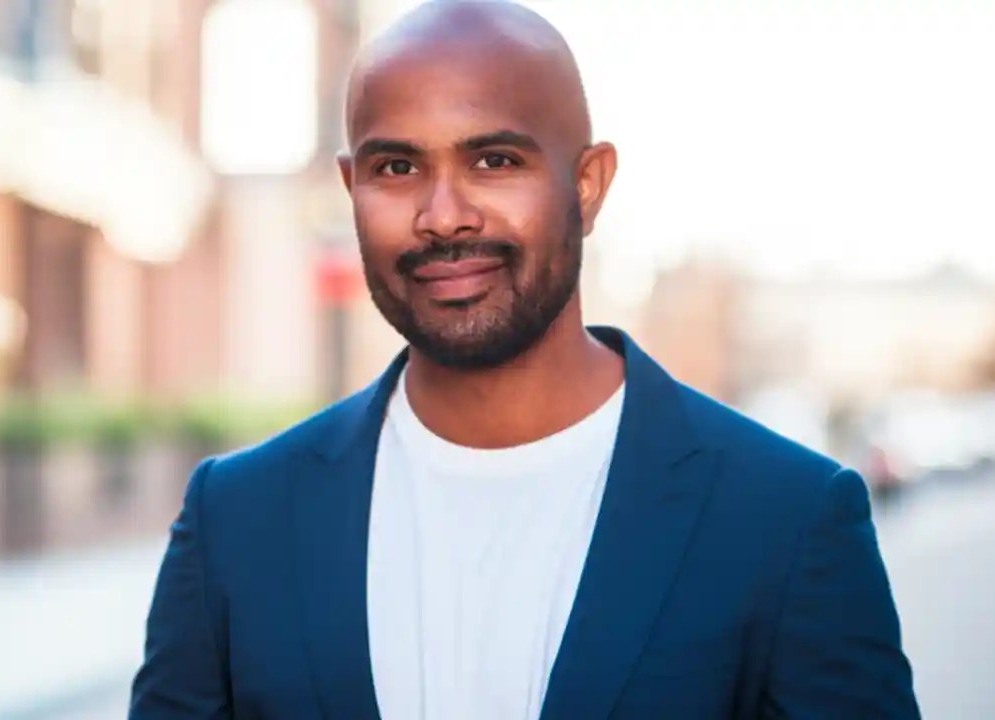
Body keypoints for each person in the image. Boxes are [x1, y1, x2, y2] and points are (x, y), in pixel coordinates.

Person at [129, 1, 920, 718]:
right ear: (351, 188)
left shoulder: (784, 519)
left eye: (494, 161)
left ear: (588, 185)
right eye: (397, 168)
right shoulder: (236, 523)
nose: (442, 216)